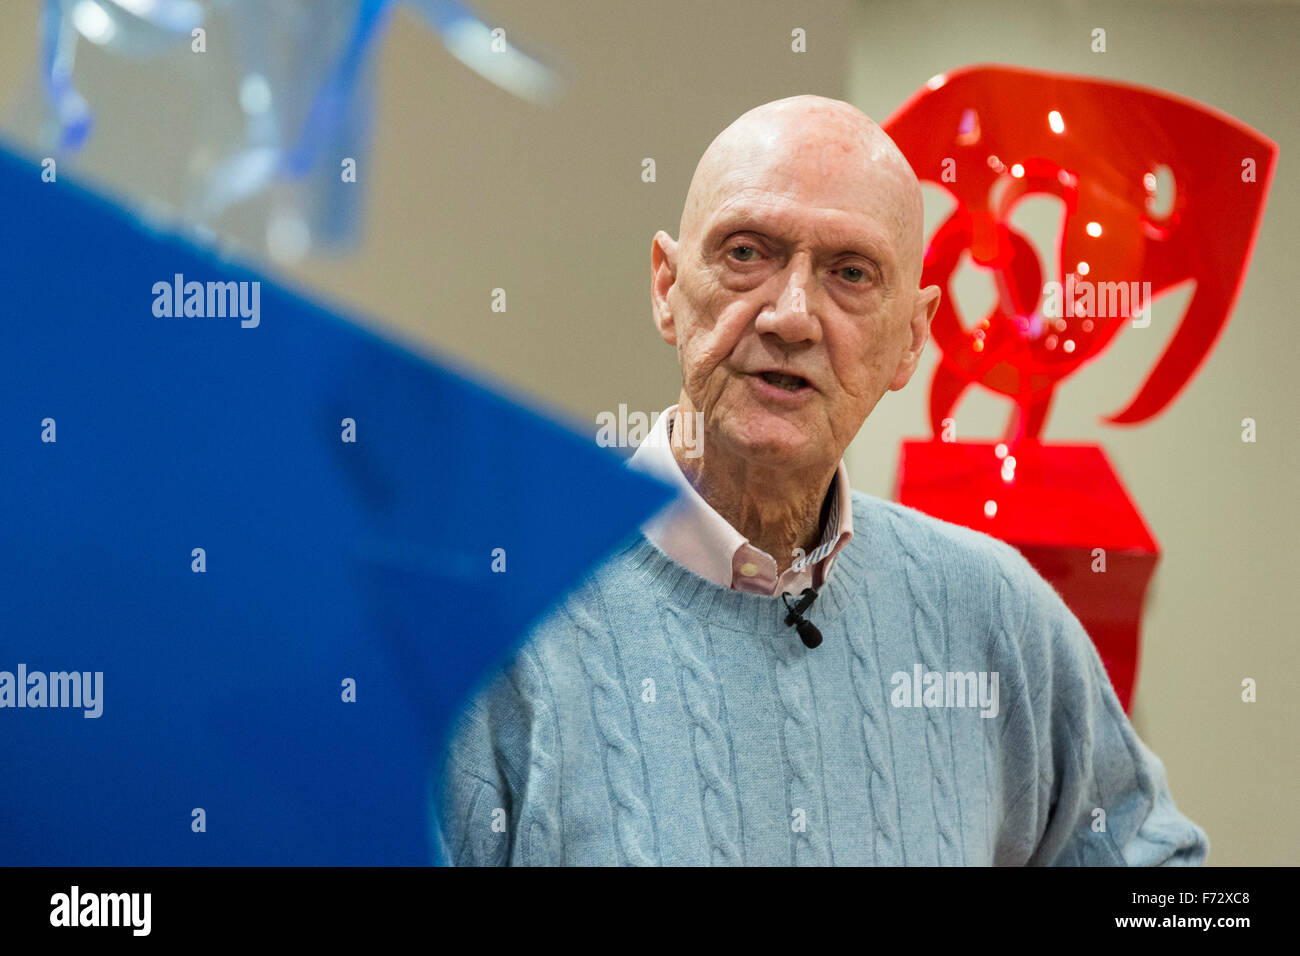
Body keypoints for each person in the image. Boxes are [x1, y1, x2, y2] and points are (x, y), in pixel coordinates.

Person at [433, 95, 1209, 866]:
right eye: (746, 253)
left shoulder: (994, 612)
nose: (792, 316)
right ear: (667, 287)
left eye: (850, 273)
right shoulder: (494, 621)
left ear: (911, 339)